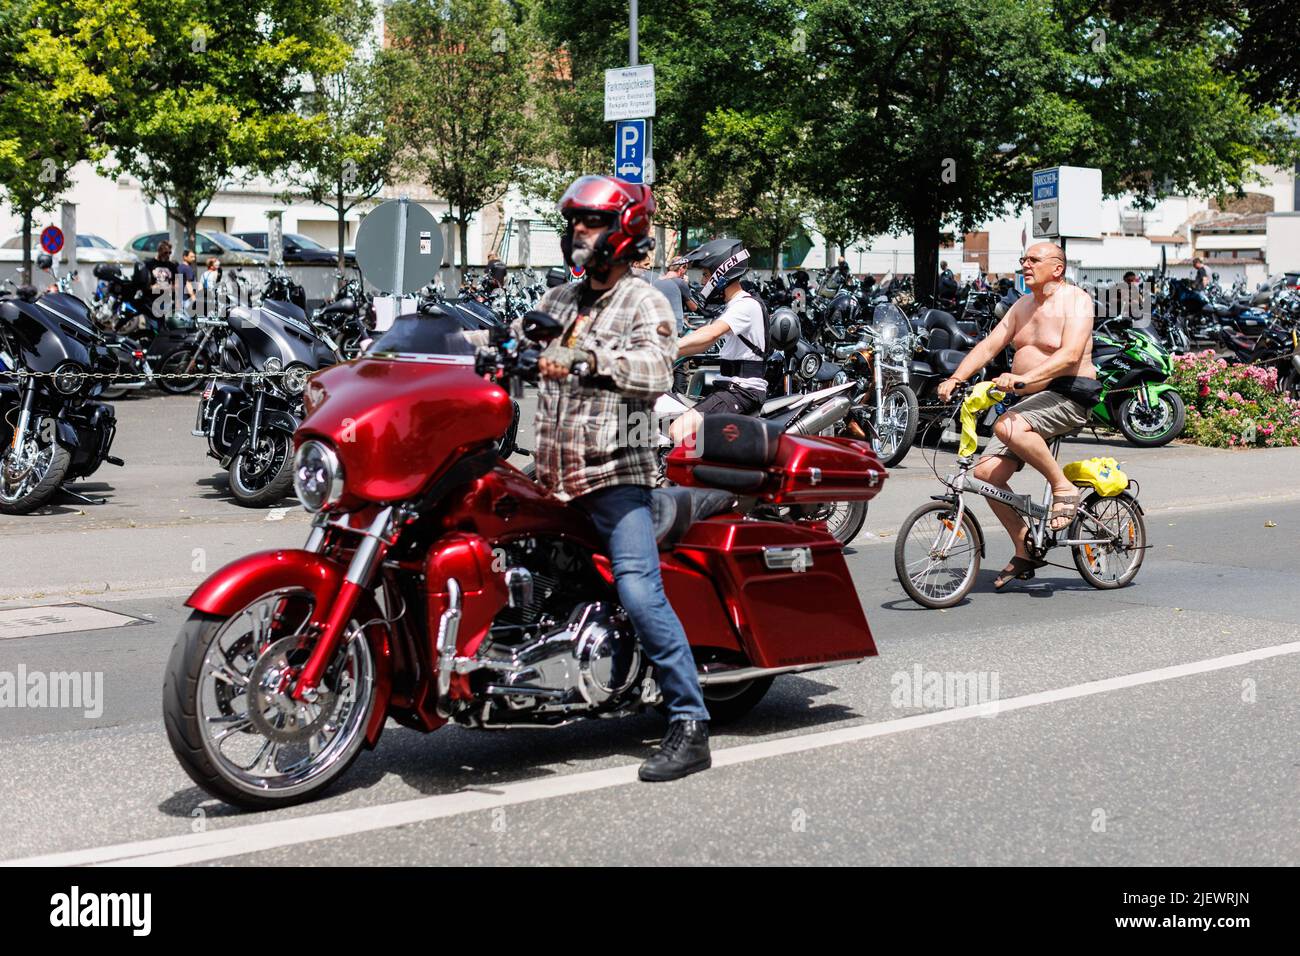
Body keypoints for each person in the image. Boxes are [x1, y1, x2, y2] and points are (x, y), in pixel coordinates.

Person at [467, 175, 712, 782]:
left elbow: (655, 368)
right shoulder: (558, 301)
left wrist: (581, 359)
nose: (578, 230)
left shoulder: (645, 300)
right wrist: (447, 344)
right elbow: (511, 343)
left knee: (636, 588)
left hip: (615, 478)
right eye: (573, 220)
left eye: (591, 221)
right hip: (548, 474)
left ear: (623, 231)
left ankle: (689, 721)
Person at [936, 241, 1096, 590]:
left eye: (1033, 260)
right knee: (984, 474)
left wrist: (1023, 379)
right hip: (1029, 403)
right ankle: (1025, 543)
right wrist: (956, 378)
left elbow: (1070, 355)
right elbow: (990, 345)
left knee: (1008, 424)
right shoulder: (1022, 306)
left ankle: (1063, 488)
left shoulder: (1077, 301)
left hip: (1069, 394)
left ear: (1057, 268)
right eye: (1023, 259)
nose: (1025, 264)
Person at [667, 239, 768, 446]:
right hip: (731, 388)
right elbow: (702, 344)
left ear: (721, 273)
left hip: (741, 391)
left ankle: (691, 478)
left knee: (679, 430)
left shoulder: (745, 306)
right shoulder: (735, 305)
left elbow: (711, 334)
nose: (703, 282)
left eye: (706, 274)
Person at [143, 240, 180, 327]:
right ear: (159, 251)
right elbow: (144, 284)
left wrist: (168, 288)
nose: (167, 255)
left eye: (169, 253)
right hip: (152, 301)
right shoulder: (149, 264)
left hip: (167, 301)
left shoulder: (172, 266)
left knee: (165, 328)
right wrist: (151, 287)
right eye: (165, 252)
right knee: (153, 327)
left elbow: (178, 285)